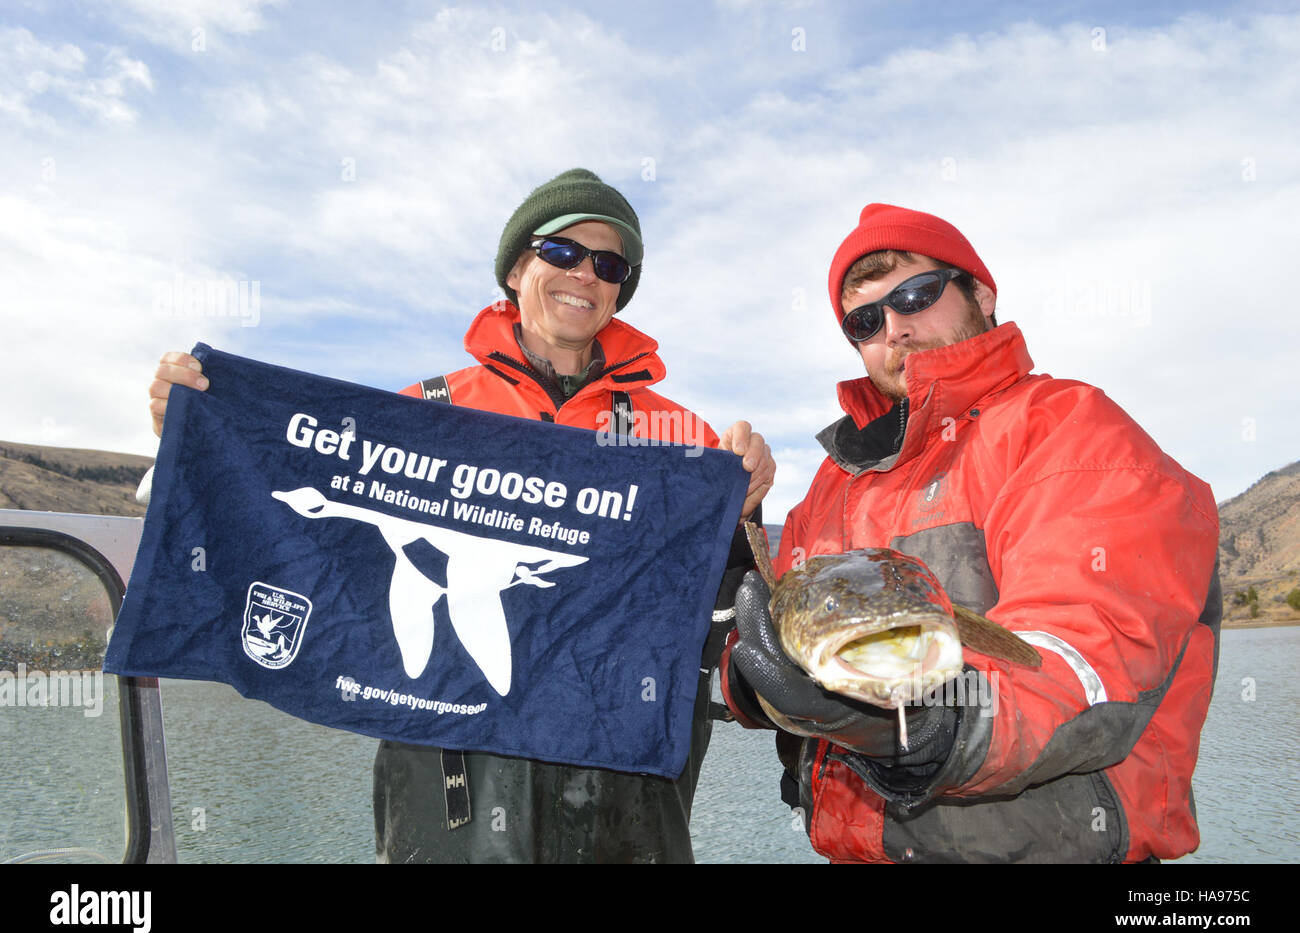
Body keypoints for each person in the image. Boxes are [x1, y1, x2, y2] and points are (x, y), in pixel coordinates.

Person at [149, 168, 774, 863]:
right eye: (561, 252)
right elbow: (313, 537)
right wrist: (205, 429)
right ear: (516, 268)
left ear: (619, 288)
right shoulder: (421, 414)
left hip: (626, 804)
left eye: (608, 264)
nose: (584, 274)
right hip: (447, 789)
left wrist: (746, 504)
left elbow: (721, 613)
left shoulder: (682, 439)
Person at [724, 203, 1219, 863]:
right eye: (865, 320)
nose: (894, 329)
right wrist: (738, 535)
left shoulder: (1073, 432)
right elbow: (776, 640)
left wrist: (933, 725)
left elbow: (1084, 655)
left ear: (980, 293)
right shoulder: (834, 481)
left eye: (916, 295)